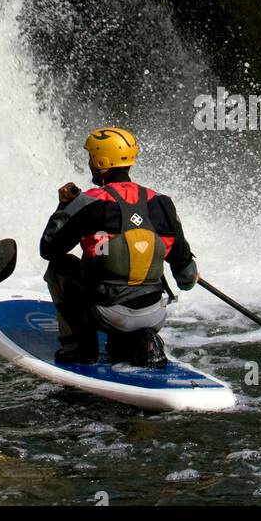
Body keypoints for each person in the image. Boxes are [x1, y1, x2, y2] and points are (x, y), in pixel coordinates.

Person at [39, 127, 199, 369]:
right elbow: (186, 278)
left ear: (100, 161)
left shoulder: (88, 202)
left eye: (91, 157)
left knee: (60, 266)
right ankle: (141, 339)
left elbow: (49, 249)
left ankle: (80, 349)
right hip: (155, 314)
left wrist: (63, 207)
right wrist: (189, 272)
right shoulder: (162, 204)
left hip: (108, 314)